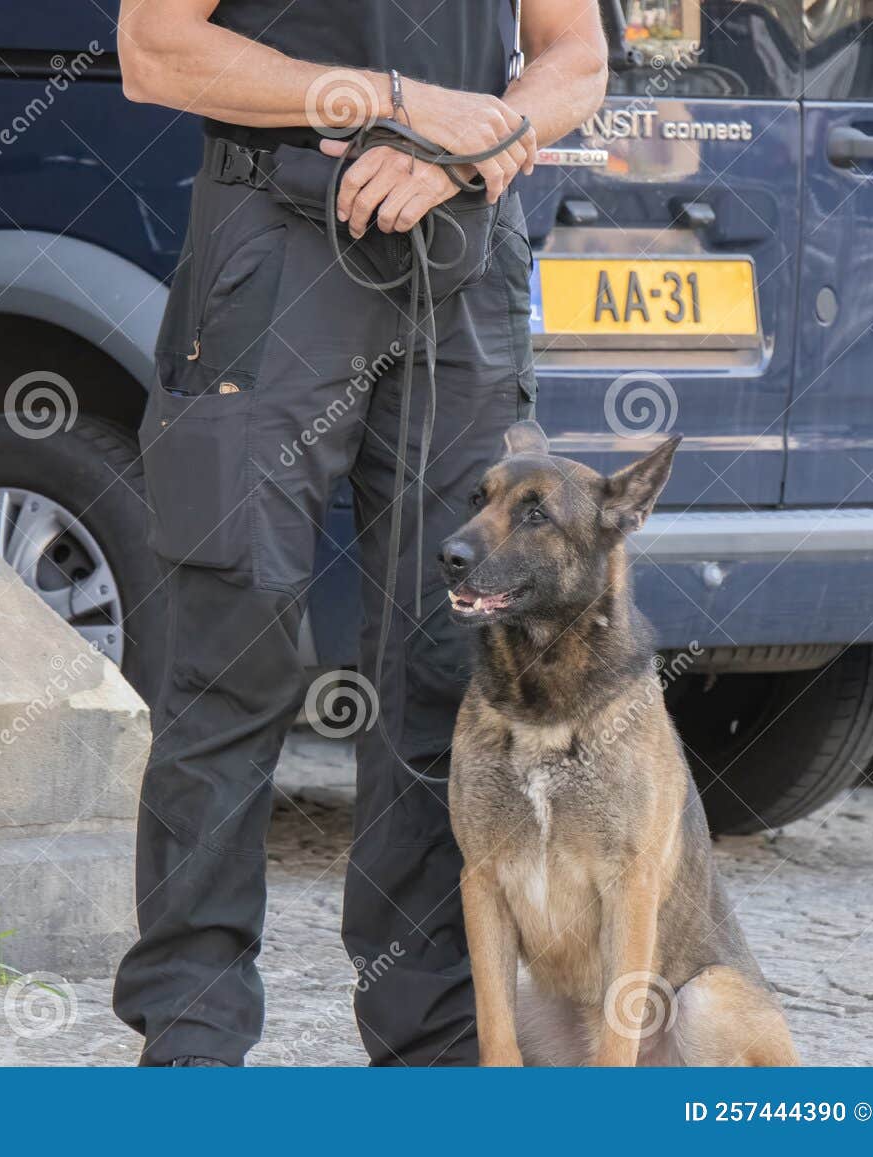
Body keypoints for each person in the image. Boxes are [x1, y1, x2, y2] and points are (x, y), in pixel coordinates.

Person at [110, 0, 608, 1066]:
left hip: (461, 269)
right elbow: (153, 49)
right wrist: (391, 103)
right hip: (276, 259)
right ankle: (192, 1035)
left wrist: (474, 145)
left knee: (452, 661)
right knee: (230, 650)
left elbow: (576, 58)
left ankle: (430, 1046)